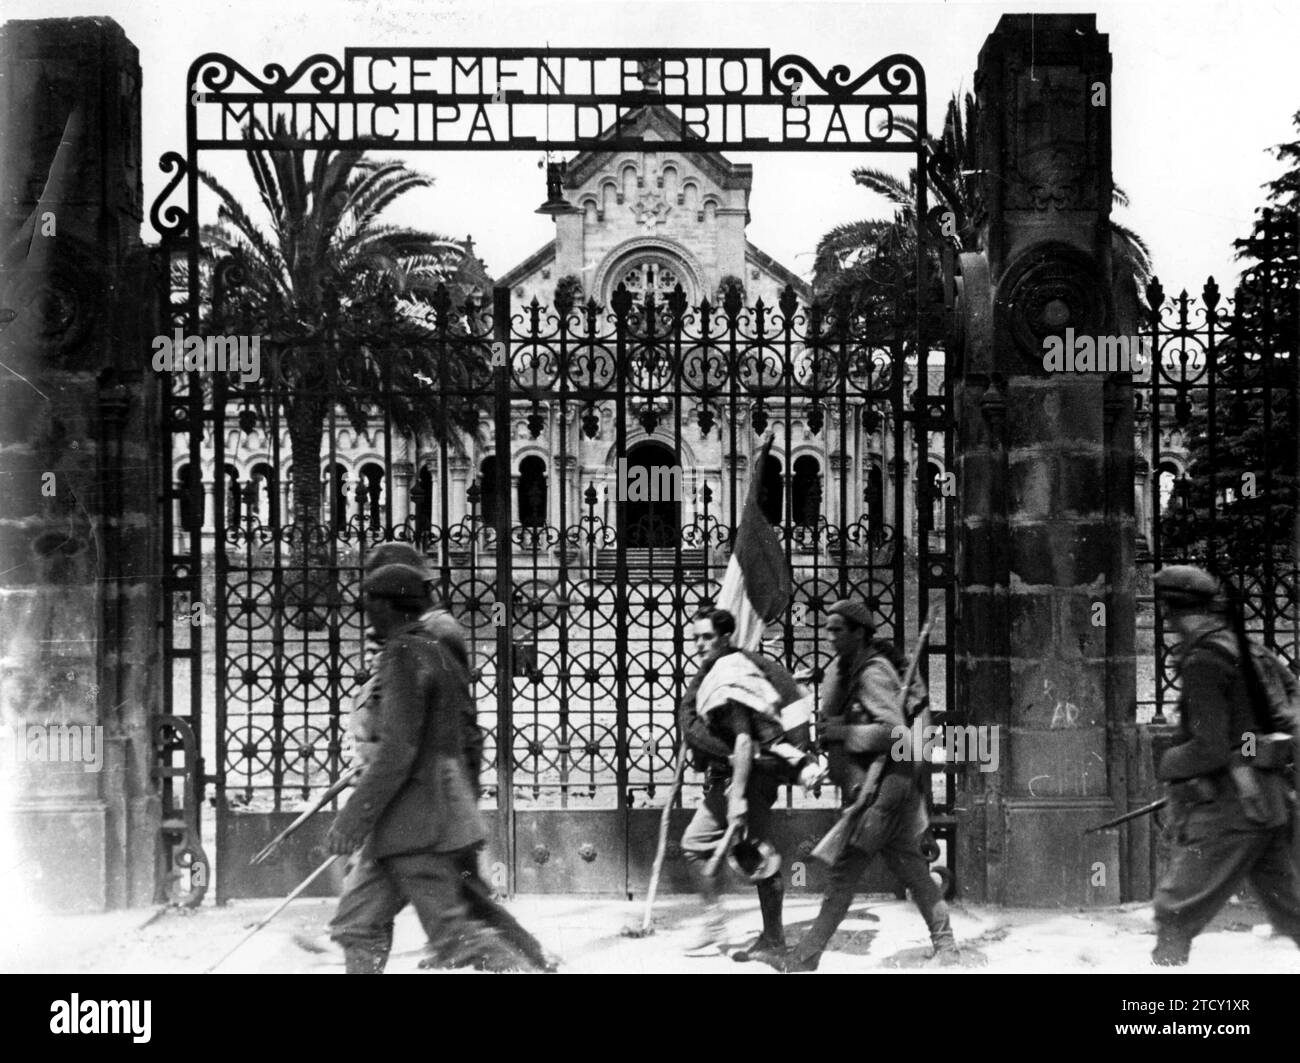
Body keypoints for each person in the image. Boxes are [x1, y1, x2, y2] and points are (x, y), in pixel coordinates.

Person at [325, 562, 540, 973]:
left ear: (387, 606)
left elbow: (398, 750)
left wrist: (352, 820)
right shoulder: (427, 647)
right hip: (405, 824)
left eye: (368, 603)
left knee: (454, 937)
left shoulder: (405, 653)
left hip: (419, 824)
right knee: (356, 924)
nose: (365, 613)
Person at [762, 599, 957, 972]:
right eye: (828, 628)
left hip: (881, 793)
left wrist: (842, 733)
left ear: (859, 632)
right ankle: (947, 947)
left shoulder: (871, 674)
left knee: (842, 875)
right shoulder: (852, 670)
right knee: (914, 871)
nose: (829, 636)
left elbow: (895, 732)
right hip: (883, 790)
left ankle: (804, 958)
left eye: (837, 629)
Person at [1150, 565, 1300, 966]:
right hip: (1271, 800)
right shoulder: (1247, 648)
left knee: (1176, 910)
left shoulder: (1204, 660)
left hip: (1233, 806)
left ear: (1173, 612)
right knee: (1291, 906)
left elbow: (1209, 748)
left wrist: (1167, 763)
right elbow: (1290, 705)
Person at [676, 608, 819, 961]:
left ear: (725, 638)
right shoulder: (728, 668)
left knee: (754, 853)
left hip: (746, 779)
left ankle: (770, 940)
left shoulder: (730, 672)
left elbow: (742, 741)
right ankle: (721, 924)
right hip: (739, 777)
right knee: (704, 845)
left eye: (706, 637)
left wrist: (737, 795)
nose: (698, 644)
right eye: (695, 637)